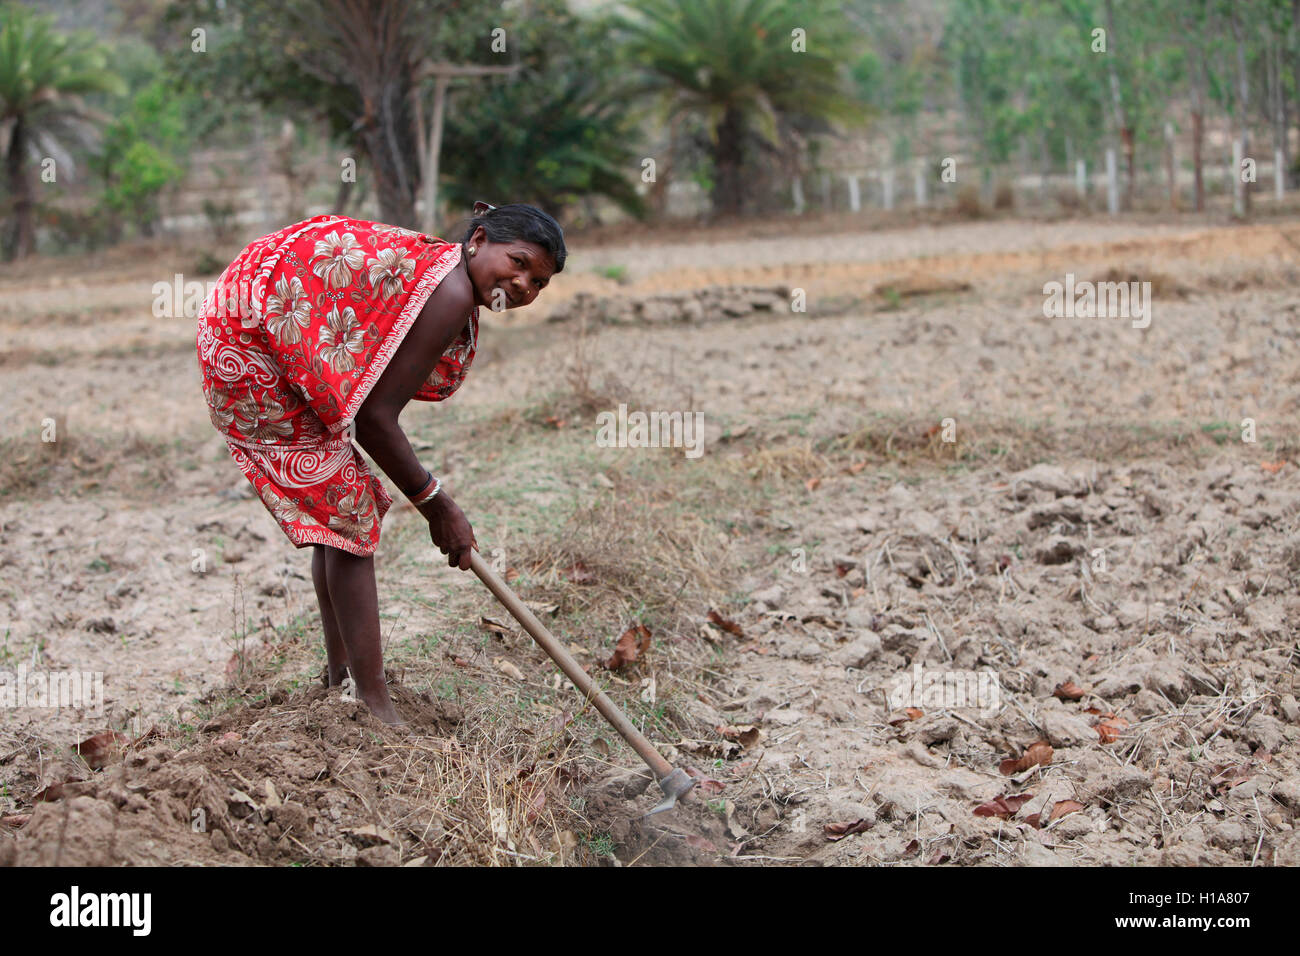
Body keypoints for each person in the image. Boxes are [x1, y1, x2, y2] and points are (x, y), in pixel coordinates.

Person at [196, 202, 565, 724]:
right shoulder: (453, 289)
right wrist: (437, 504)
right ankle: (374, 706)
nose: (524, 285)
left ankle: (343, 683)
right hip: (251, 346)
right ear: (479, 240)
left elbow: (372, 402)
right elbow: (374, 420)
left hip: (257, 326)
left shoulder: (447, 274)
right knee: (345, 509)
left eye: (539, 283)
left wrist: (433, 501)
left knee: (338, 514)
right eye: (520, 262)